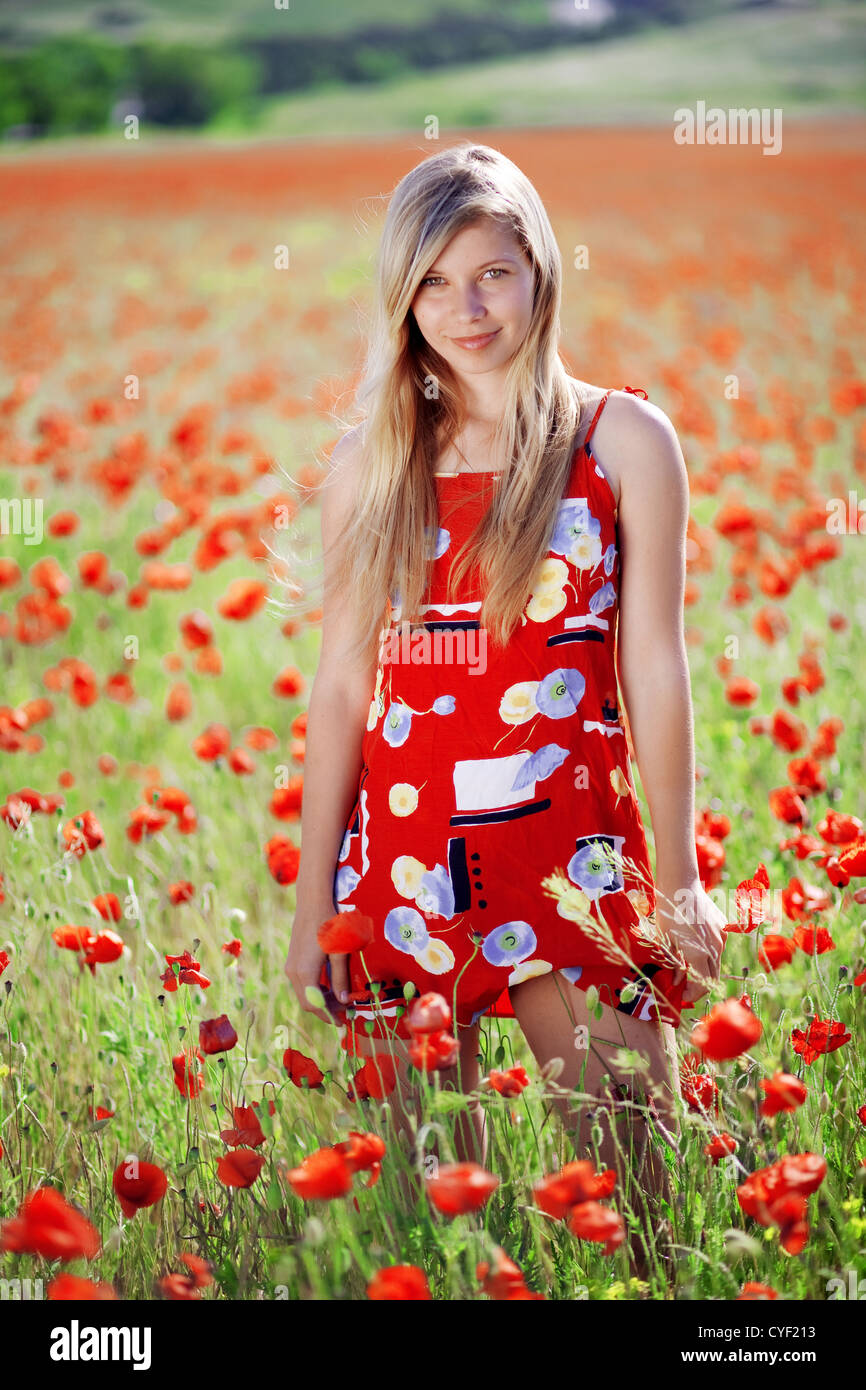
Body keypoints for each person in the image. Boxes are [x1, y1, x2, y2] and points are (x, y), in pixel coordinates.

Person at [285, 142, 726, 1283]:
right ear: (400, 297)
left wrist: (674, 881)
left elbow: (654, 671)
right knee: (439, 1227)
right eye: (431, 283)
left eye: (488, 273)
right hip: (404, 870)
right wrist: (311, 903)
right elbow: (340, 686)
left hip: (568, 863)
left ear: (539, 269)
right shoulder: (372, 467)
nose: (463, 309)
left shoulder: (621, 442)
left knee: (646, 1208)